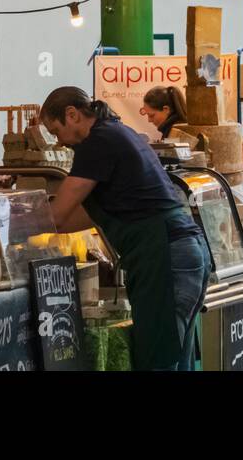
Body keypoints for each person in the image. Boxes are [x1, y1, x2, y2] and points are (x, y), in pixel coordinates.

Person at [39, 86, 212, 370]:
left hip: (165, 256)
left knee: (159, 359)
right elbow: (75, 218)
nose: (58, 142)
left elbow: (57, 216)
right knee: (172, 356)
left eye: (56, 131)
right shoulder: (116, 133)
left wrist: (15, 218)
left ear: (72, 114)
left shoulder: (98, 142)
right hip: (183, 254)